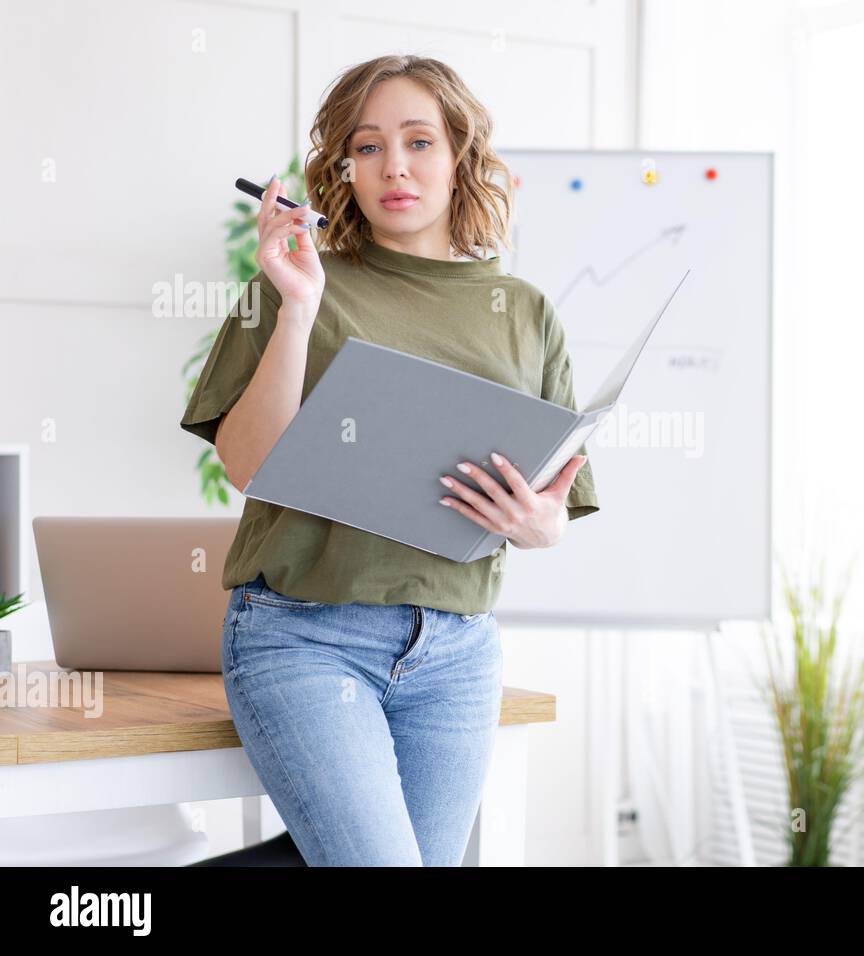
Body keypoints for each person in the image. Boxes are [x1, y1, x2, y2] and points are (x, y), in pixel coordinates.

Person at [179, 54, 599, 866]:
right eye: (368, 147)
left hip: (459, 650)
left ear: (460, 158)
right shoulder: (293, 281)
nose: (395, 166)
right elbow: (248, 465)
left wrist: (537, 523)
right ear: (343, 167)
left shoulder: (527, 314)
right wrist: (299, 307)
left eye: (420, 141)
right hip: (304, 638)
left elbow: (555, 517)